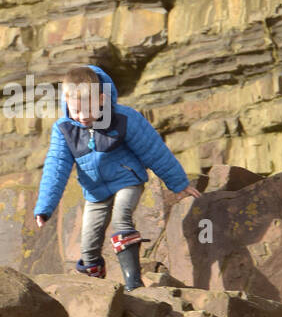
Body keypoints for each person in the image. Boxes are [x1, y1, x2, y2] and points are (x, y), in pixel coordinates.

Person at [33, 64, 201, 290]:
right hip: (95, 192)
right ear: (66, 102)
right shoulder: (64, 130)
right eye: (76, 111)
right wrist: (45, 207)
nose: (82, 117)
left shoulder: (123, 118)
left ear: (101, 99)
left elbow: (153, 150)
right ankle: (96, 289)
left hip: (126, 181)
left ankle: (133, 283)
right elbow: (56, 168)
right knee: (88, 247)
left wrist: (178, 183)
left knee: (122, 219)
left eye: (88, 111)